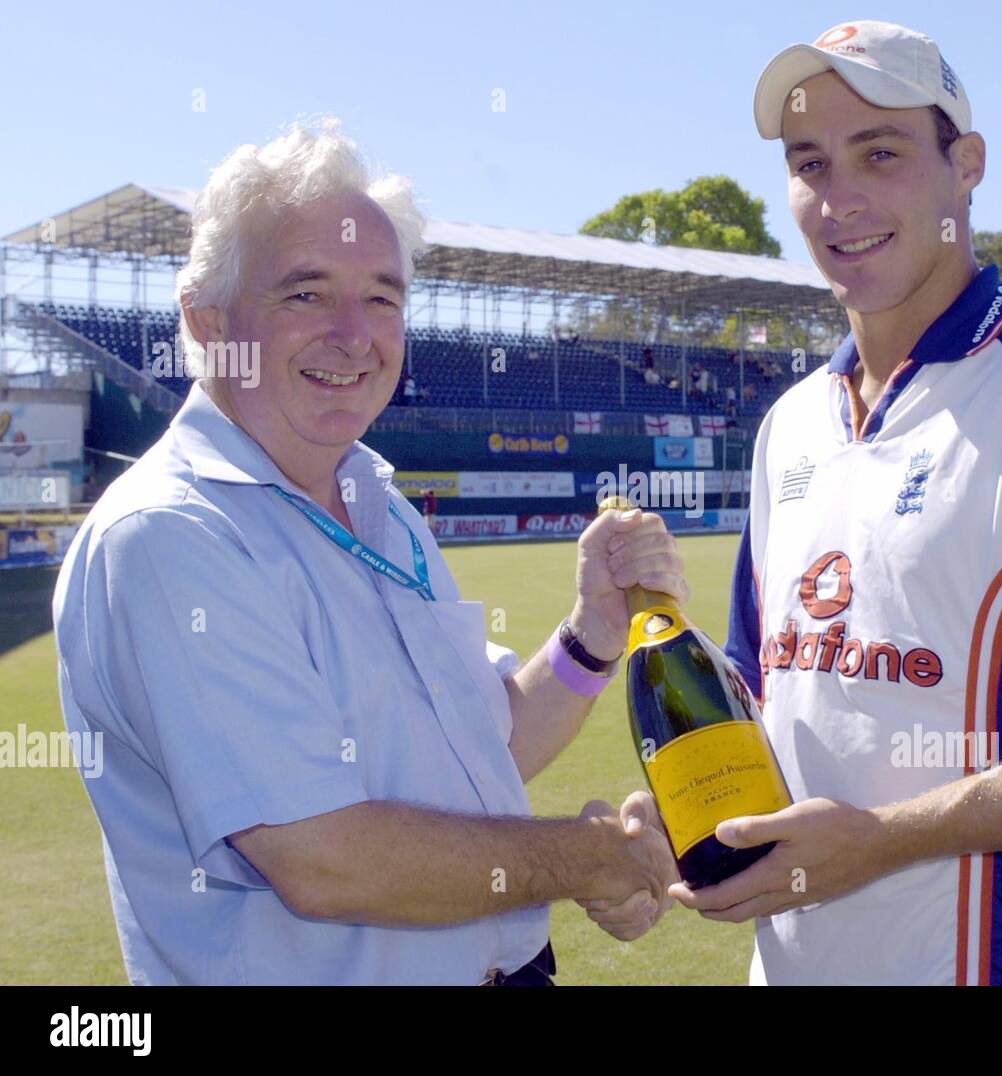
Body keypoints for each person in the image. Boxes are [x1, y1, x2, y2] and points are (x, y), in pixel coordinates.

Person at [590, 19, 1002, 986]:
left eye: (881, 153)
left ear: (965, 164)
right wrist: (679, 814)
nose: (839, 198)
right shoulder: (791, 425)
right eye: (810, 162)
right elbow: (766, 689)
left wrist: (880, 840)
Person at [52, 121, 681, 986]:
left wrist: (594, 632)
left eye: (383, 298)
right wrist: (589, 858)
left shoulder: (377, 501)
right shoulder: (170, 535)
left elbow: (483, 744)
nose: (355, 335)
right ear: (206, 318)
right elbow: (323, 857)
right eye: (306, 294)